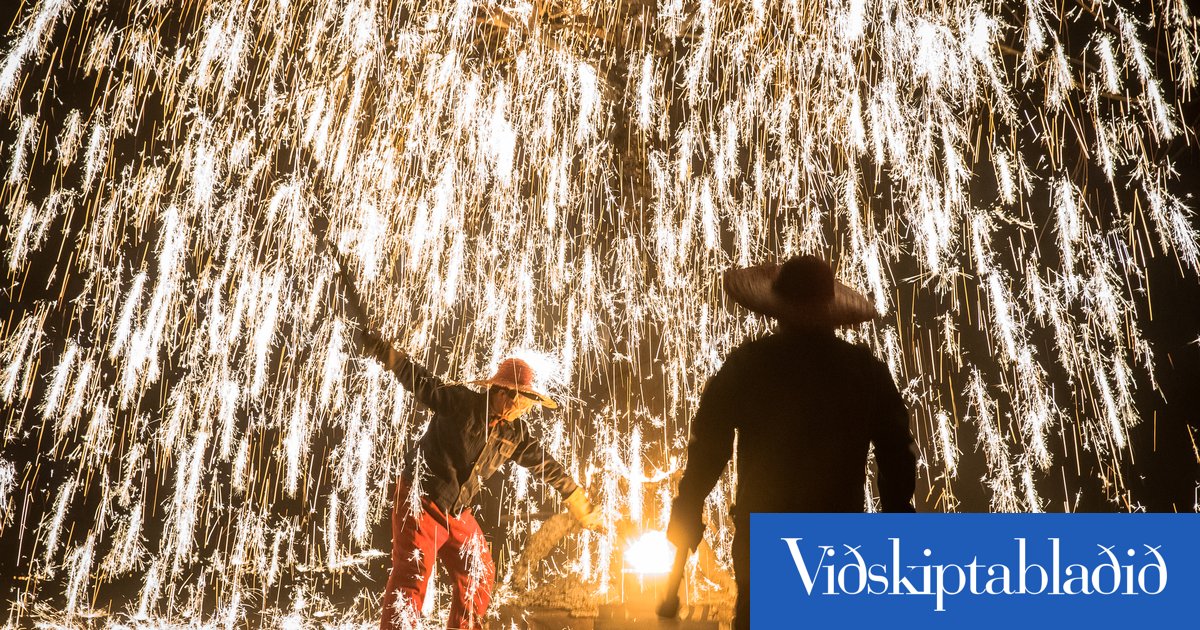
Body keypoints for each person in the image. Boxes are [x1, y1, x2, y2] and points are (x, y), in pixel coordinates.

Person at [335, 268, 600, 630]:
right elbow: (418, 379)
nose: (523, 408)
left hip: (457, 512)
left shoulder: (512, 434)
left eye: (527, 402)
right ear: (502, 392)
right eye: (521, 399)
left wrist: (576, 497)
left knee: (479, 570)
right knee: (412, 578)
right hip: (421, 501)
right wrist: (383, 350)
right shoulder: (460, 403)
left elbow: (545, 463)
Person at [666, 255, 918, 630]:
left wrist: (688, 507)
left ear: (778, 310)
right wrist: (897, 522)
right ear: (829, 311)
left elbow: (708, 448)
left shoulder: (749, 366)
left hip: (764, 540)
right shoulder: (865, 371)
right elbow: (897, 454)